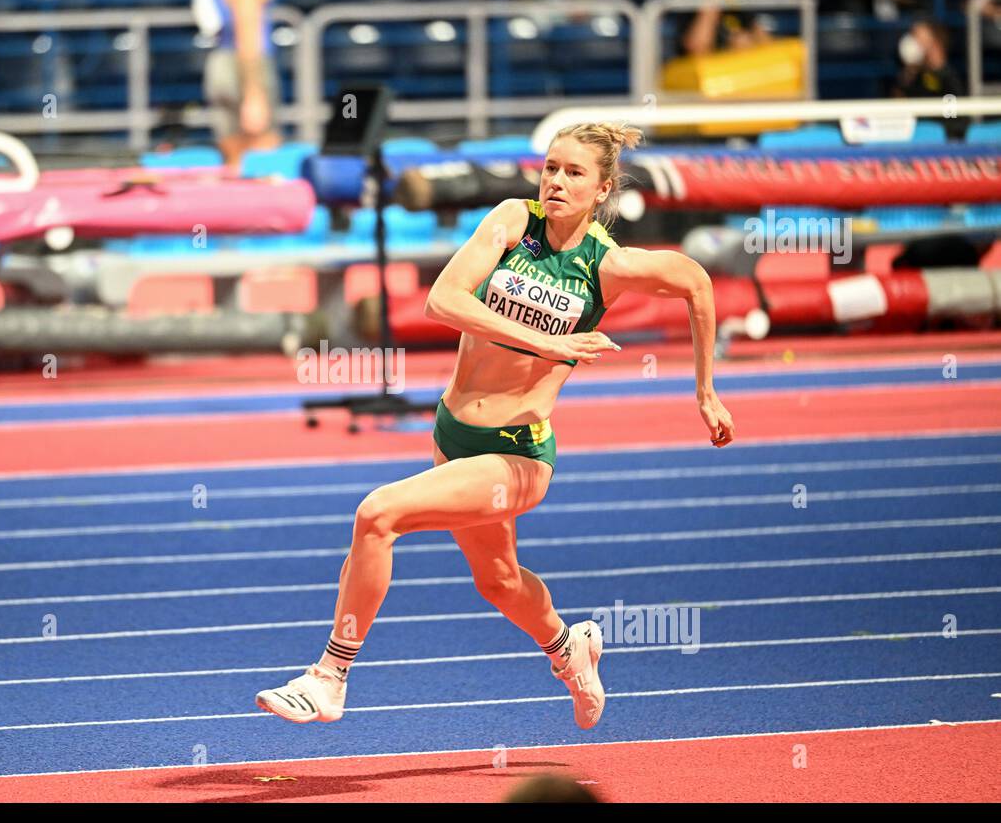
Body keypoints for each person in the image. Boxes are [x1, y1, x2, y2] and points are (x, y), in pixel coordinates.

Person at [255, 122, 736, 729]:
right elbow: (444, 299)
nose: (557, 181)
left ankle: (330, 677)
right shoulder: (514, 220)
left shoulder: (608, 266)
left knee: (377, 516)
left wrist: (705, 391)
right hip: (452, 434)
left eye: (574, 173)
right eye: (551, 168)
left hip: (518, 454)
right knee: (500, 581)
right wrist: (542, 336)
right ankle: (572, 650)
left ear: (603, 188)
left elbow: (697, 281)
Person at [198, 0, 281, 169]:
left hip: (219, 64)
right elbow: (247, 33)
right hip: (245, 66)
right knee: (261, 161)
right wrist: (253, 94)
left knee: (232, 162)